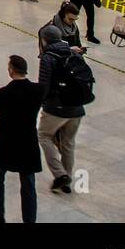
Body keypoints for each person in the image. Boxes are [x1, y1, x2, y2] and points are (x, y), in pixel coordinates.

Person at [0, 55, 42, 223]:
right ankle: (29, 219)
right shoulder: (38, 90)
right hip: (28, 143)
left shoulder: (4, 93)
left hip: (6, 142)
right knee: (28, 183)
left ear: (11, 70)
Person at [37, 24, 88, 195]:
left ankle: (60, 175)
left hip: (56, 107)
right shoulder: (73, 52)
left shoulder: (48, 57)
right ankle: (67, 177)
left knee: (44, 135)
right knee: (68, 143)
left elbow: (44, 85)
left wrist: (40, 103)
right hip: (77, 107)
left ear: (44, 40)